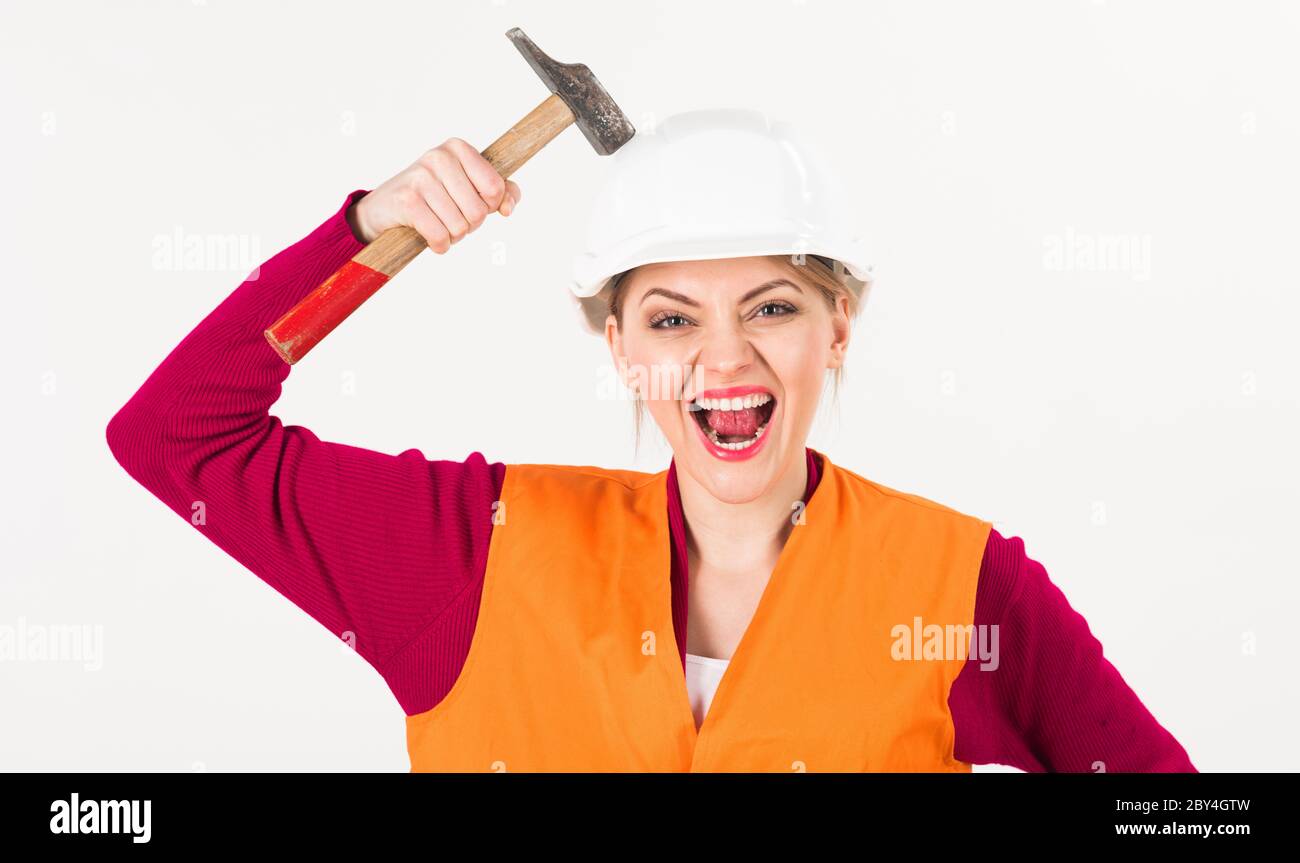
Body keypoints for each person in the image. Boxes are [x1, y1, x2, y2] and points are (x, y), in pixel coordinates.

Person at [106, 109, 1196, 773]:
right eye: (673, 318)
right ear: (621, 344)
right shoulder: (470, 553)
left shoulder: (958, 585)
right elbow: (175, 434)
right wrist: (361, 239)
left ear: (837, 331)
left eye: (771, 308)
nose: (725, 362)